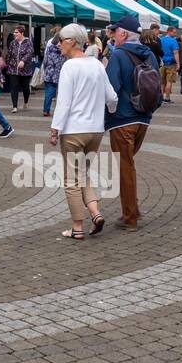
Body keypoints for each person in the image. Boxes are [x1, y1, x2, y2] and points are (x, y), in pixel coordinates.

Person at [50, 23, 118, 240]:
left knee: (71, 180)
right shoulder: (97, 65)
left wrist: (55, 129)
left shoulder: (69, 67)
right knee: (84, 174)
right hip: (95, 131)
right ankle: (96, 213)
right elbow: (112, 98)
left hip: (73, 132)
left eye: (61, 40)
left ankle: (77, 227)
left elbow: (64, 103)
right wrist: (108, 113)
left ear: (72, 41)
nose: (58, 45)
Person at [105, 16, 158, 231]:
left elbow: (111, 89)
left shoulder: (117, 55)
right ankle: (132, 209)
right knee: (129, 164)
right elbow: (157, 88)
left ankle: (130, 217)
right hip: (143, 119)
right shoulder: (150, 55)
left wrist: (106, 115)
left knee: (125, 168)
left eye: (115, 31)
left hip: (122, 120)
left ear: (124, 34)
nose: (112, 35)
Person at [4, 26, 36, 113]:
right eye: (14, 32)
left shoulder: (28, 42)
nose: (15, 34)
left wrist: (23, 61)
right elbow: (9, 54)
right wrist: (8, 63)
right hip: (13, 69)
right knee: (14, 87)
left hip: (25, 70)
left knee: (25, 88)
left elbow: (30, 53)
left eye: (16, 32)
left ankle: (25, 102)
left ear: (22, 33)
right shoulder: (13, 43)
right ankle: (15, 106)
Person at [41, 29, 65, 117]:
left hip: (48, 73)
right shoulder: (62, 51)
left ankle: (46, 110)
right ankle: (59, 111)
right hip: (59, 74)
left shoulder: (49, 48)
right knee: (60, 93)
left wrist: (45, 69)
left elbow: (45, 61)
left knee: (48, 92)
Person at [159, 26, 179, 102]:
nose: (175, 34)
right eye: (174, 32)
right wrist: (178, 64)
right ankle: (167, 98)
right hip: (171, 63)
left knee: (162, 82)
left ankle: (161, 98)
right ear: (169, 32)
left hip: (162, 63)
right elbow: (176, 53)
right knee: (169, 81)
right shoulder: (173, 41)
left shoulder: (161, 40)